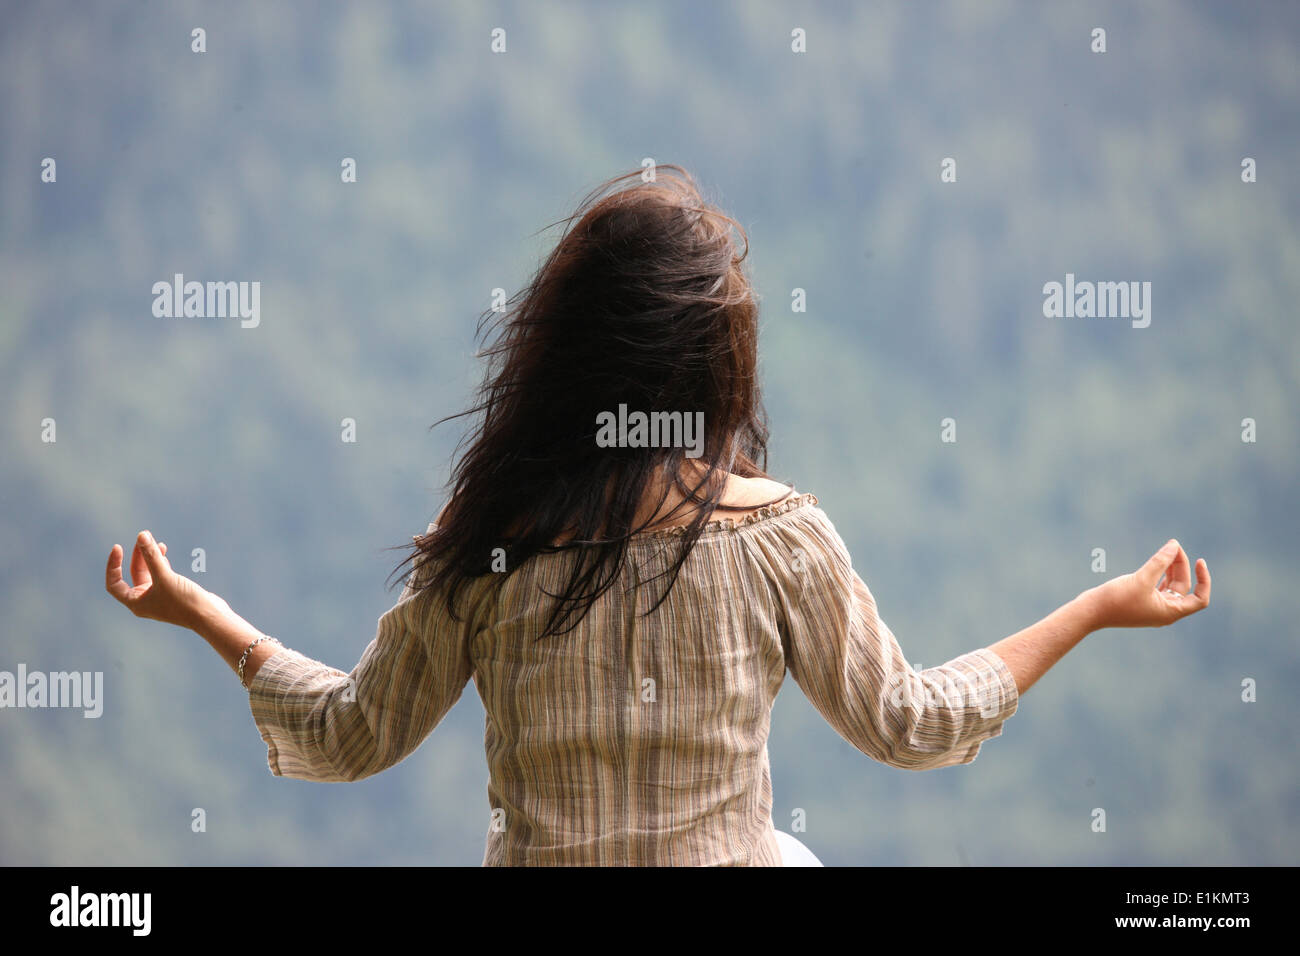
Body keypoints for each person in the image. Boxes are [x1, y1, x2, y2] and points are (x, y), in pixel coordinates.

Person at [105, 166, 1210, 866]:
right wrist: (1098, 605)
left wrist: (206, 616)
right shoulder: (781, 542)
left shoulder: (487, 544)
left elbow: (352, 735)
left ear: (563, 357)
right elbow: (907, 723)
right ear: (713, 369)